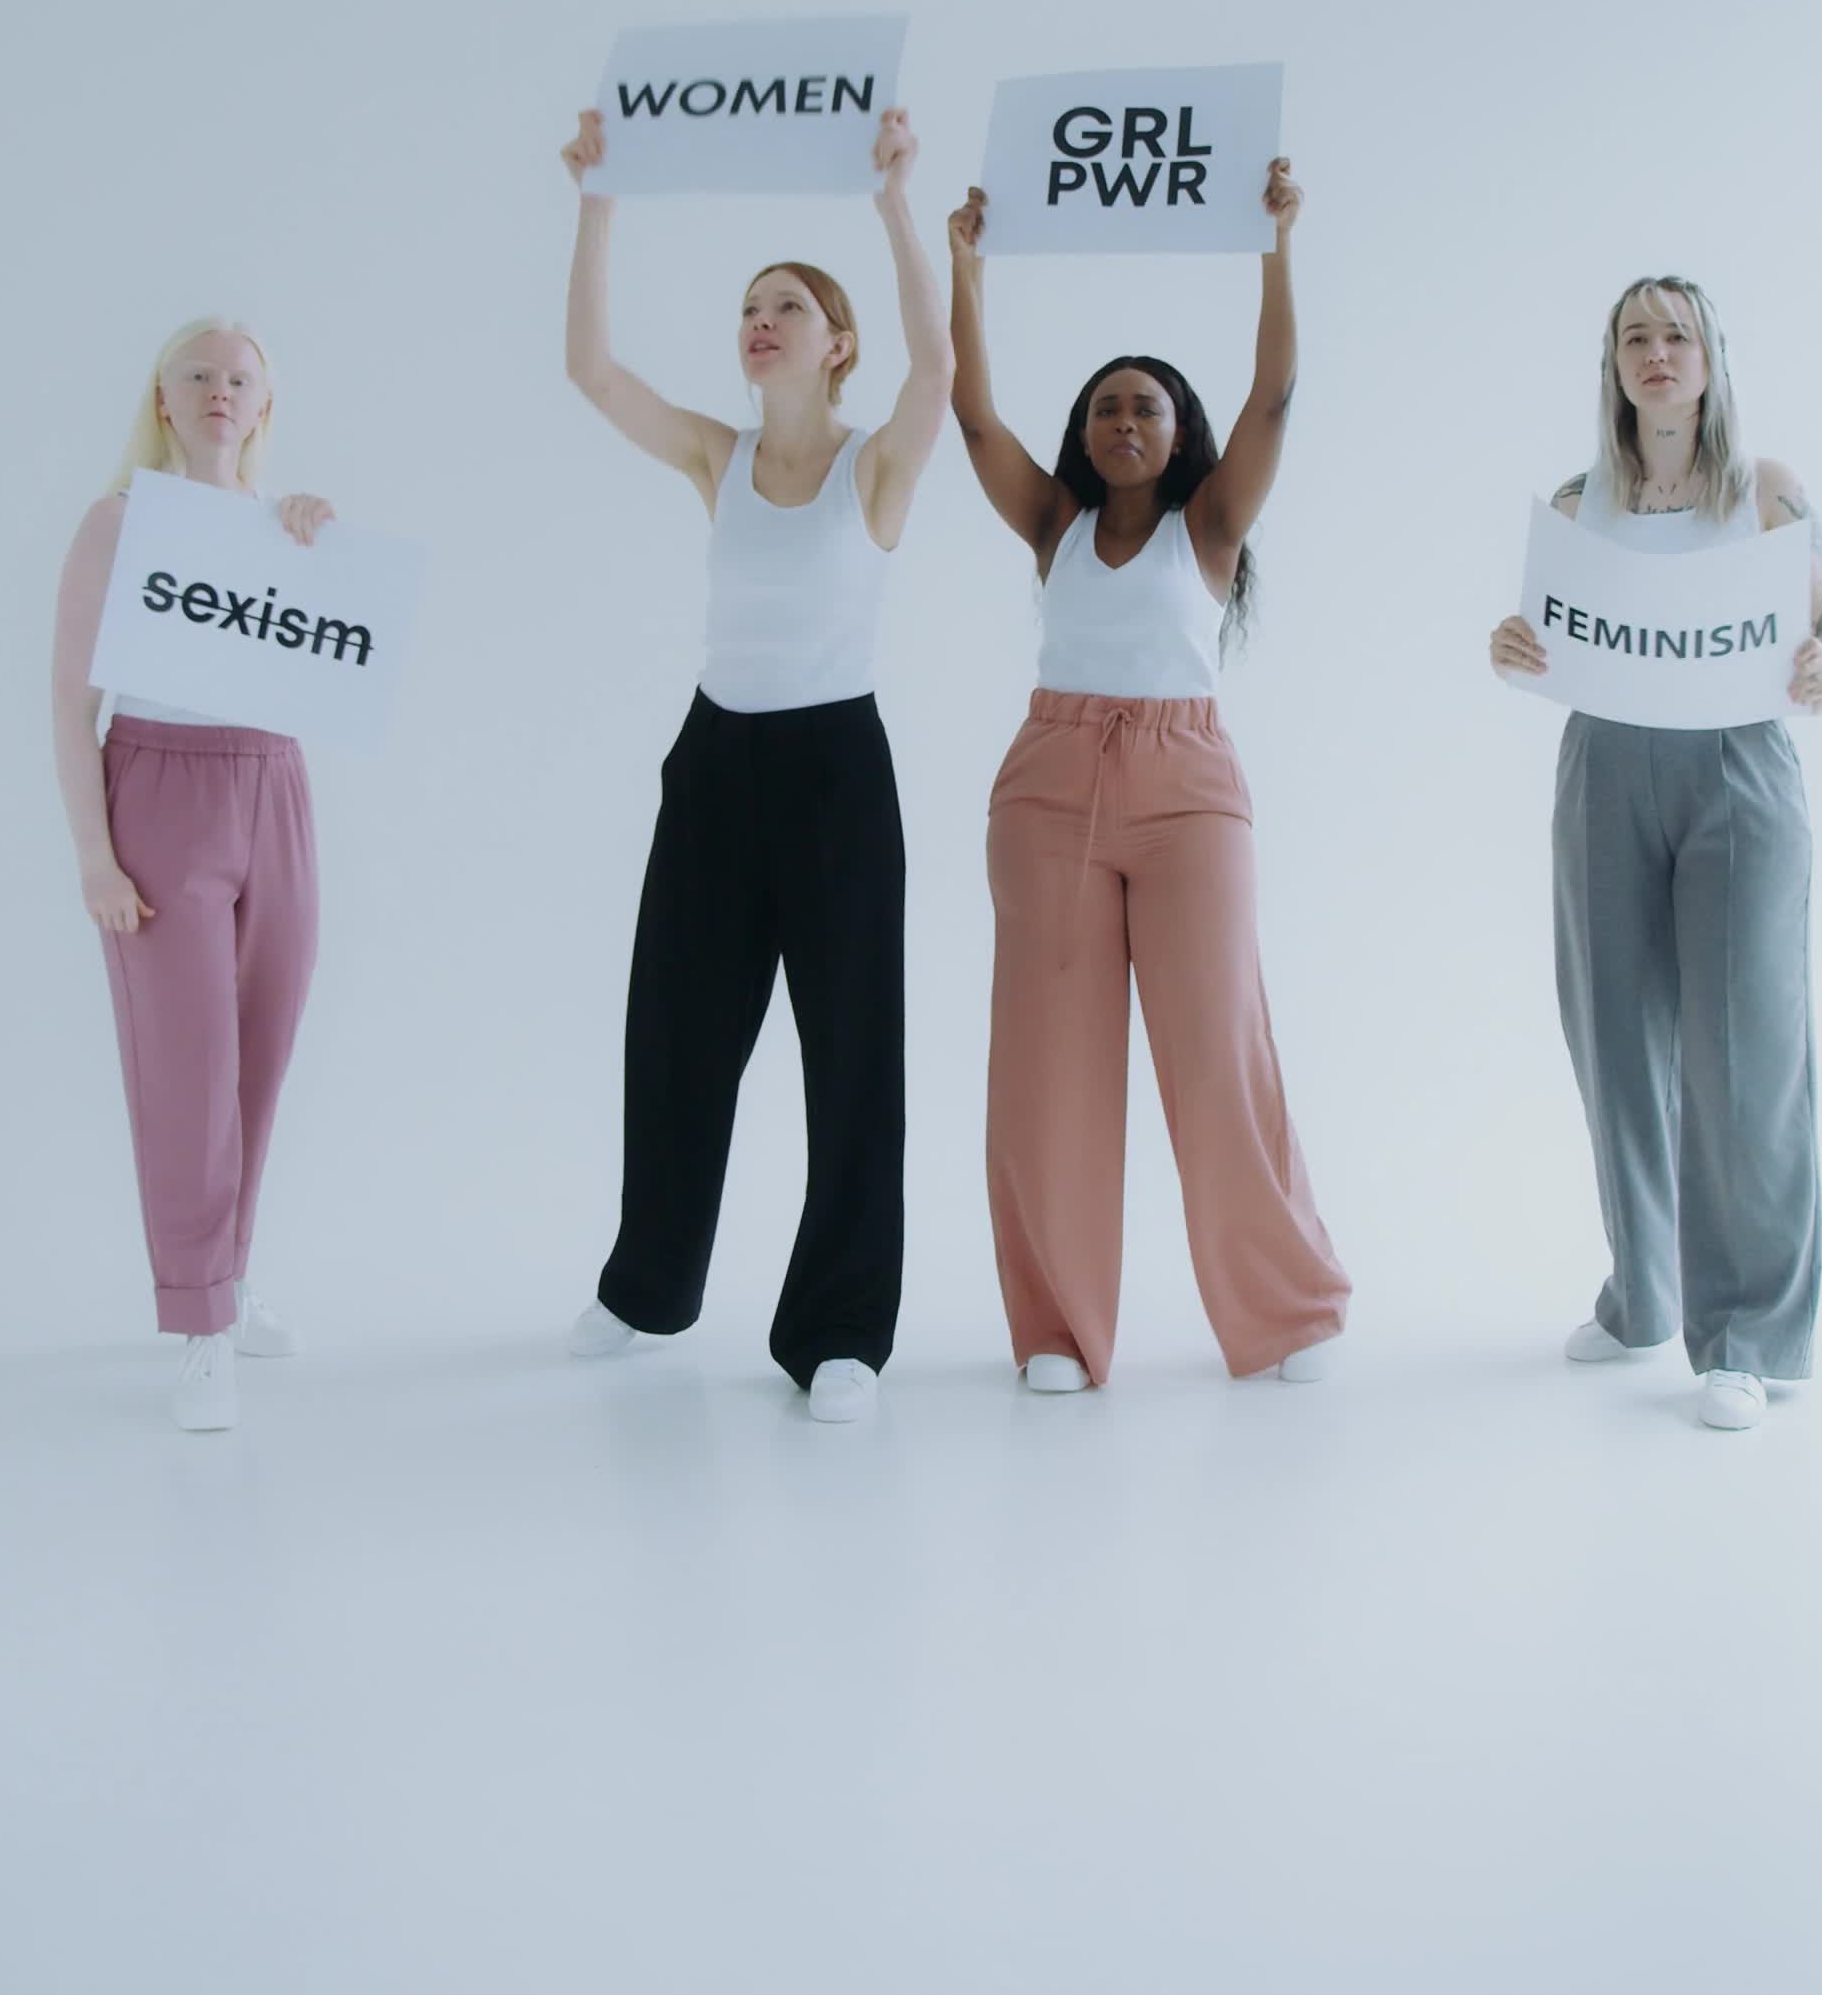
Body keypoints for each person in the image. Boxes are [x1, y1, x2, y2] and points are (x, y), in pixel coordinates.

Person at [560, 105, 952, 1416]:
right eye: (748, 307)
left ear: (838, 344)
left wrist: (894, 203)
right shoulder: (714, 457)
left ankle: (840, 1335)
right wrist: (598, 199)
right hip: (716, 764)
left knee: (852, 1058)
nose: (761, 320)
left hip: (837, 773)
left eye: (788, 305)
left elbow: (939, 370)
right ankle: (647, 1286)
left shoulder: (875, 469)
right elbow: (591, 372)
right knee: (675, 1035)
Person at [945, 159, 1349, 1394]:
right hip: (1050, 786)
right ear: (1083, 433)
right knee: (1049, 1064)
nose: (1125, 421)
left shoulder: (1208, 529)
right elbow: (974, 419)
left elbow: (1275, 395)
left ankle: (1286, 1314)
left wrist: (1277, 245)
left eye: (1149, 409)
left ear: (1179, 437)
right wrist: (965, 268)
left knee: (1220, 1048)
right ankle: (1059, 1330)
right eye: (1107, 408)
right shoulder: (1054, 526)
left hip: (1188, 792)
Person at [1489, 275, 1822, 1430]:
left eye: (1677, 335)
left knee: (1744, 1055)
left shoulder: (1766, 490)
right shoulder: (1577, 501)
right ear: (1613, 363)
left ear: (1711, 359)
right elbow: (1549, 637)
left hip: (1737, 776)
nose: (1657, 353)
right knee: (1612, 1036)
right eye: (1635, 336)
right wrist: (1511, 649)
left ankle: (1746, 1334)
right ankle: (1643, 1293)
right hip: (1605, 771)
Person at [51, 322, 330, 1433]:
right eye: (198, 374)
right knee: (186, 1069)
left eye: (241, 378)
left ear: (264, 407)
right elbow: (71, 701)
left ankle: (230, 1277)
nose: (221, 389)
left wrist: (315, 550)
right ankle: (199, 1319)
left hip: (275, 786)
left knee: (258, 1055)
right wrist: (94, 853)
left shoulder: (282, 528)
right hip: (162, 788)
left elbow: (324, 658)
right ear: (162, 399)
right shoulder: (118, 522)